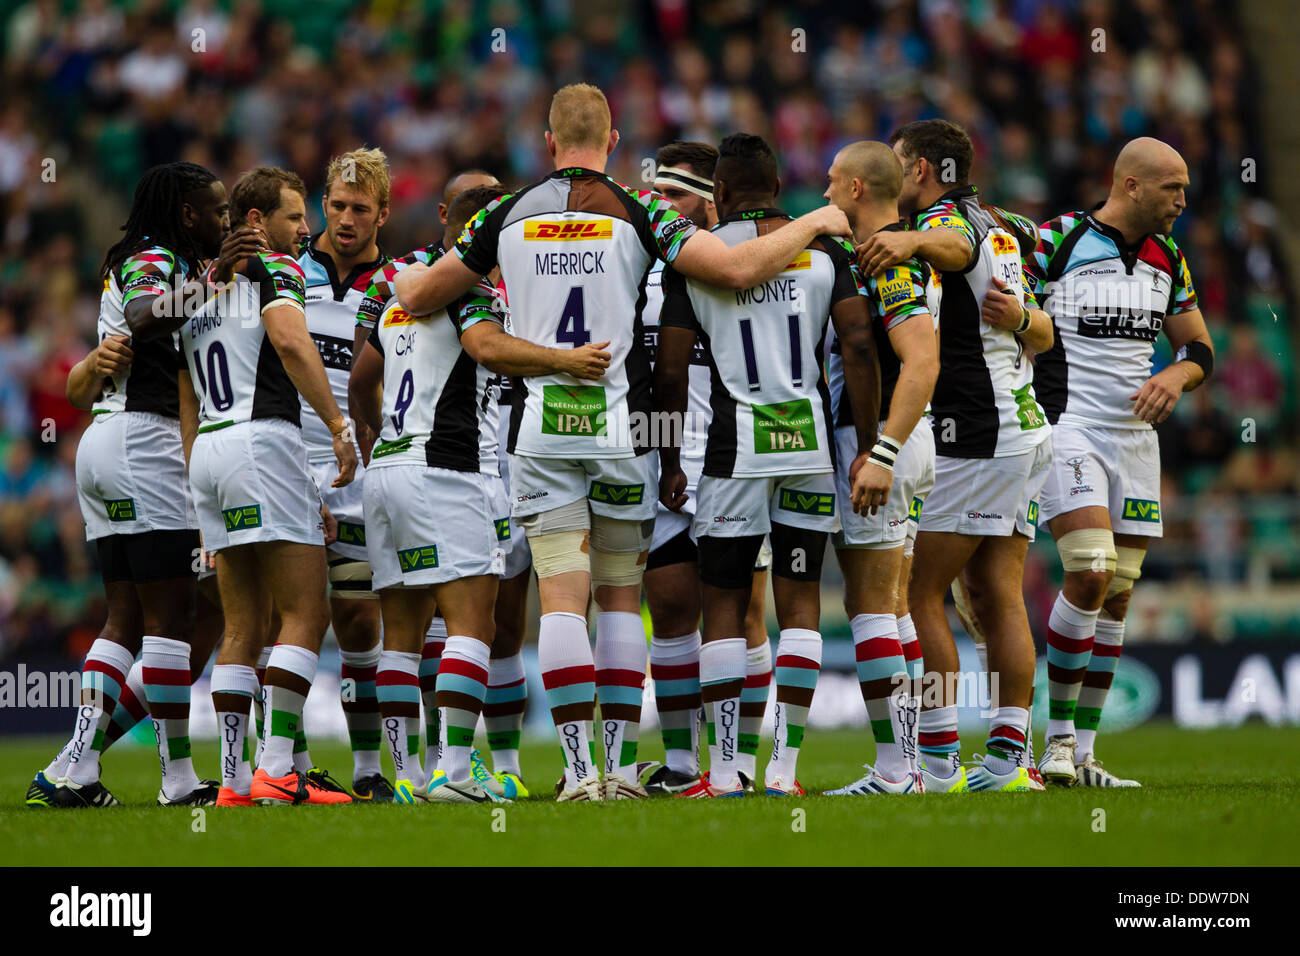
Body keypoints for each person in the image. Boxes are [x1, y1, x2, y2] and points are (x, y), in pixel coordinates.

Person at [395, 83, 852, 802]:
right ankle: (614, 771)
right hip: (623, 435)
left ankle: (576, 775)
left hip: (540, 434)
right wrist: (819, 219)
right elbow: (736, 268)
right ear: (612, 142)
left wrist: (449, 285)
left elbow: (417, 296)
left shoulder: (503, 213)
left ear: (548, 144)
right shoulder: (639, 214)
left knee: (561, 600)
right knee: (616, 600)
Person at [350, 184, 610, 803]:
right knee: (475, 623)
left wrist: (373, 444)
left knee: (402, 631)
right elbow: (484, 346)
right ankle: (456, 773)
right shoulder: (469, 291)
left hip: (387, 471)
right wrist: (562, 360)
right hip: (448, 469)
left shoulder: (394, 299)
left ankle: (409, 776)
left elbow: (361, 382)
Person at [657, 133, 880, 798]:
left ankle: (725, 771)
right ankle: (783, 771)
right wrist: (868, 446)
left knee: (723, 605)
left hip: (734, 450)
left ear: (718, 193)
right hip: (809, 447)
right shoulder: (824, 250)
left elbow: (670, 372)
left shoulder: (697, 259)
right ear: (779, 187)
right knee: (801, 600)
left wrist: (670, 454)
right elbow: (860, 348)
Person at [39, 162, 257, 809]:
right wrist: (217, 278)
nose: (224, 220)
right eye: (215, 210)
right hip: (144, 440)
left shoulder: (155, 257)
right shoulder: (153, 257)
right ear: (187, 213)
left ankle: (74, 767)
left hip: (108, 442)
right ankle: (177, 779)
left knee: (127, 617)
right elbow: (142, 313)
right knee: (172, 617)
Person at [879, 119, 1055, 792]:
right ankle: (1012, 761)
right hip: (1023, 428)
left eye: (901, 165)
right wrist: (1020, 320)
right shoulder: (1003, 224)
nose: (897, 178)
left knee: (922, 593)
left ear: (923, 169)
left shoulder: (955, 223)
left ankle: (939, 758)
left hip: (979, 435)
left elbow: (950, 245)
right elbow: (1041, 328)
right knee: (994, 593)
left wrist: (909, 237)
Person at [1032, 137, 1212, 788]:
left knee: (1118, 597)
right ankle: (1051, 744)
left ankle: (1082, 755)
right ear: (1132, 185)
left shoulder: (1171, 259)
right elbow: (1013, 318)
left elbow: (1200, 349)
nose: (1183, 201)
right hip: (1070, 426)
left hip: (1137, 440)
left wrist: (1179, 374)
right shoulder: (1055, 241)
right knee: (1090, 572)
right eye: (1173, 188)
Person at [180, 165, 357, 806]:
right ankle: (278, 769)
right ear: (257, 222)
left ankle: (232, 782)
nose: (306, 230)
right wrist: (338, 426)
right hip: (263, 440)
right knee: (306, 613)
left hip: (211, 451)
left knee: (241, 625)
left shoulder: (197, 288)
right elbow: (287, 339)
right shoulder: (274, 267)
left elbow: (185, 395)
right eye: (295, 217)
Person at [640, 141, 775, 795]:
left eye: (672, 193)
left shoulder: (744, 265)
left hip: (734, 456)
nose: (659, 206)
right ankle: (683, 763)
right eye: (655, 194)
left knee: (745, 612)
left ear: (712, 195)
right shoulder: (639, 266)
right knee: (669, 608)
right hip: (657, 461)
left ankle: (742, 761)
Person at [820, 140, 940, 796]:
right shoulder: (910, 249)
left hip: (880, 445)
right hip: (909, 442)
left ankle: (896, 768)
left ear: (859, 189)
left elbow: (920, 358)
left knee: (869, 604)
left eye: (834, 181)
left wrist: (882, 452)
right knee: (893, 606)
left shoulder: (883, 258)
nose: (826, 190)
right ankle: (911, 764)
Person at [288, 147, 392, 800]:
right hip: (283, 470)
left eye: (360, 208)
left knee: (357, 624)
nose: (345, 218)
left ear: (384, 212)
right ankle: (291, 770)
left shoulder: (399, 284)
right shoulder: (288, 273)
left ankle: (366, 769)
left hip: (357, 481)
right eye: (336, 205)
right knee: (290, 621)